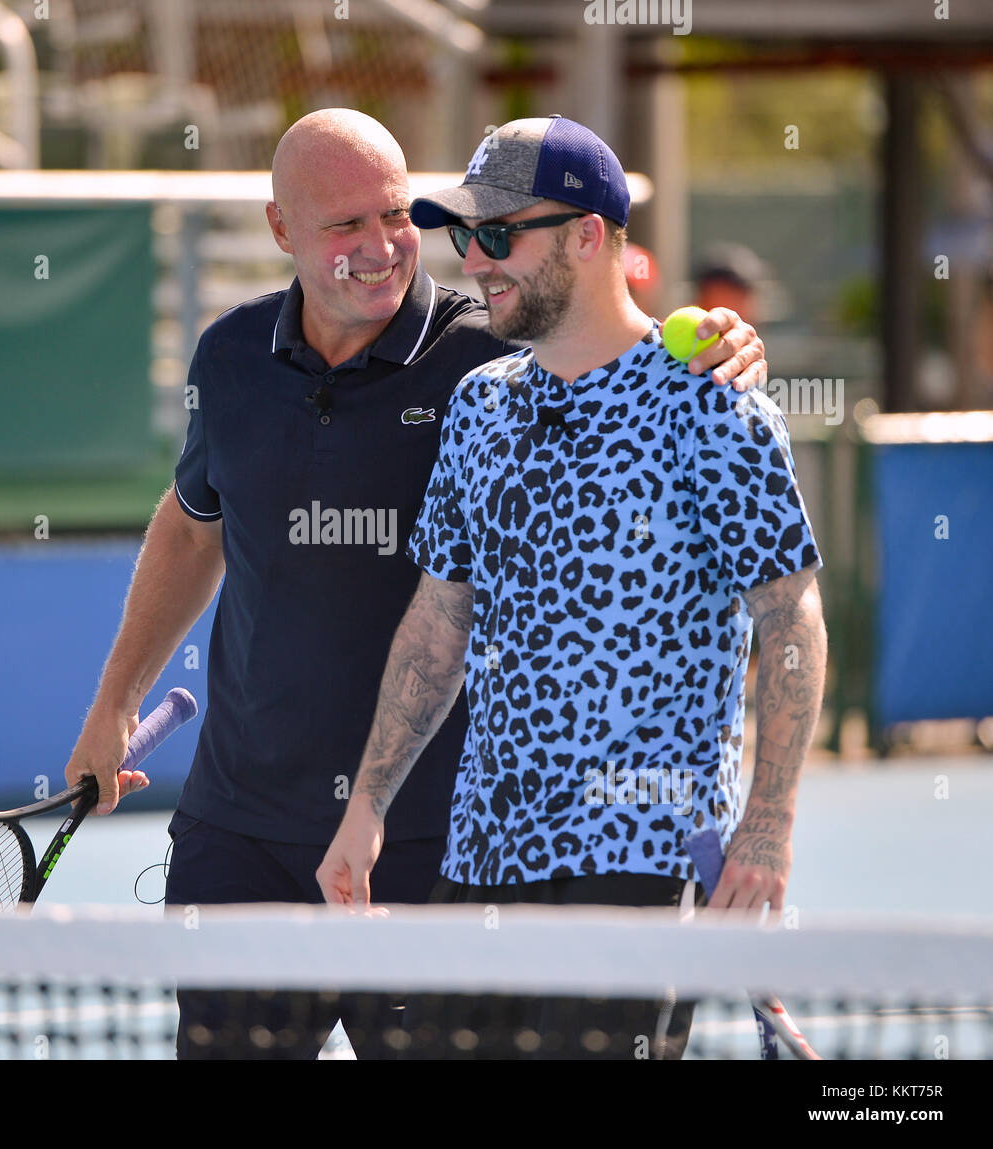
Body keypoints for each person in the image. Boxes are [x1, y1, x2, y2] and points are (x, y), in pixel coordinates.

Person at [63, 109, 770, 1059]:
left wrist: (717, 344)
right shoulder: (229, 359)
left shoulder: (499, 359)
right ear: (281, 231)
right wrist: (115, 701)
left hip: (430, 847)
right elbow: (194, 529)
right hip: (238, 828)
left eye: (395, 215)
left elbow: (617, 341)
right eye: (344, 225)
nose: (382, 246)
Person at [317, 116, 827, 1059]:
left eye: (502, 234)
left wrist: (768, 821)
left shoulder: (711, 400)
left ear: (590, 235)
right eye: (466, 235)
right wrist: (367, 807)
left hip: (638, 856)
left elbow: (789, 612)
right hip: (483, 854)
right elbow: (439, 624)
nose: (476, 259)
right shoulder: (478, 407)